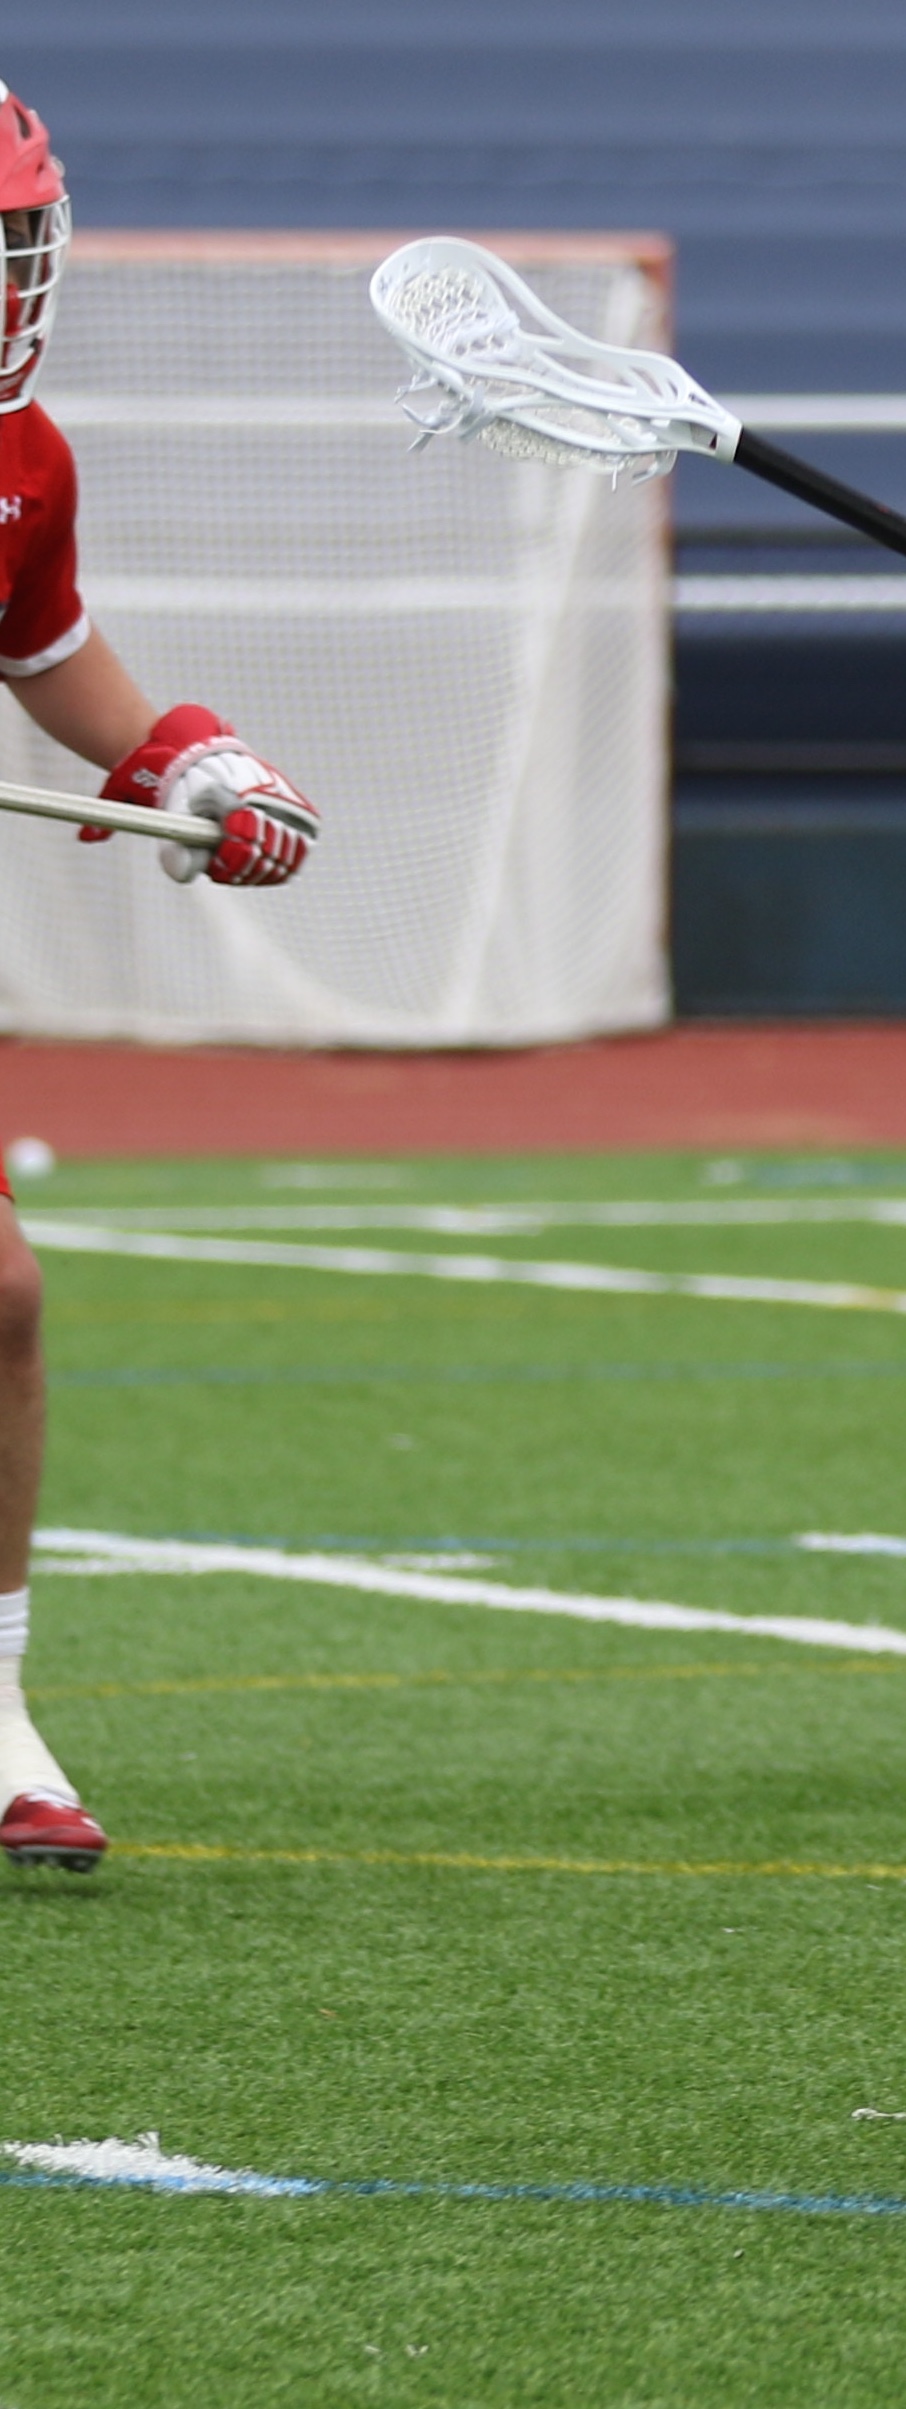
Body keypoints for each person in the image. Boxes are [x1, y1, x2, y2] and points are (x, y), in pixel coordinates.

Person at [0, 81, 323, 1874]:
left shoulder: (23, 454)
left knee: (2, 1302)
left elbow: (49, 651)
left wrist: (194, 762)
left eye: (8, 252)